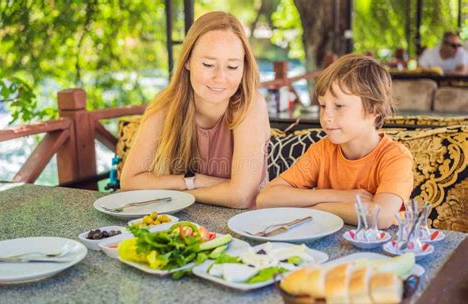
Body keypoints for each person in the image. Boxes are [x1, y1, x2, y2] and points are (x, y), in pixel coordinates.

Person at [121, 11, 270, 209]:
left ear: (244, 67)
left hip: (244, 228)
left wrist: (181, 192)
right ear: (188, 61)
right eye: (208, 64)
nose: (220, 77)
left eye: (232, 67)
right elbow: (130, 183)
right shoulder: (166, 104)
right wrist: (193, 181)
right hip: (179, 224)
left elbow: (241, 197)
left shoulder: (251, 105)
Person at [256, 54, 414, 229]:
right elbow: (266, 198)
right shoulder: (322, 150)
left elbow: (381, 216)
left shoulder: (395, 157)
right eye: (323, 106)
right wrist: (340, 196)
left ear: (373, 110)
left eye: (339, 106)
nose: (326, 117)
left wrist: (318, 208)